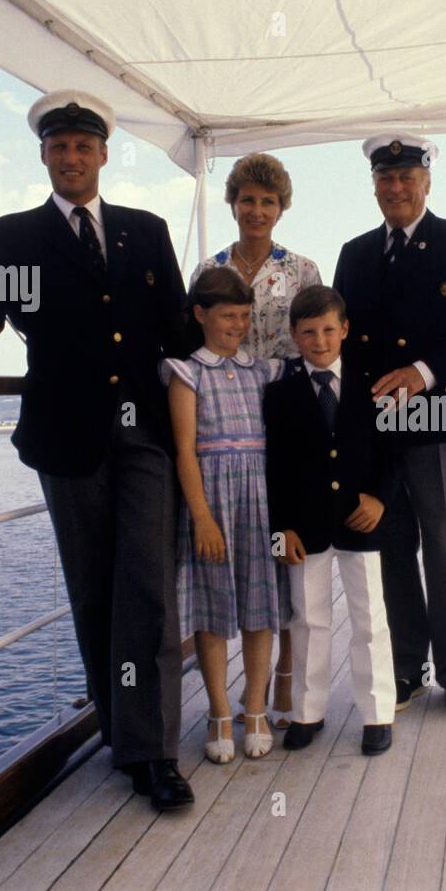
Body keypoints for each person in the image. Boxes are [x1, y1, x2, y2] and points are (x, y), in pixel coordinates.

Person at [0, 90, 194, 812]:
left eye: (83, 146)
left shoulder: (147, 230)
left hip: (147, 436)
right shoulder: (13, 237)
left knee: (150, 589)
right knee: (96, 591)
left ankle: (155, 750)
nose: (71, 157)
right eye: (59, 147)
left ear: (104, 154)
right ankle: (122, 733)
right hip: (65, 434)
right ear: (45, 155)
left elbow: (179, 331)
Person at [332, 134, 446, 717]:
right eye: (386, 178)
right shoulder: (355, 254)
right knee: (391, 545)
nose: (396, 188)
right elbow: (346, 349)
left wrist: (422, 372)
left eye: (407, 177)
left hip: (441, 412)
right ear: (374, 185)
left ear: (427, 181)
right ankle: (407, 667)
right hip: (378, 421)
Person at [189, 153, 322, 728]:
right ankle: (237, 701)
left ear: (281, 207)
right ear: (233, 204)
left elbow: (320, 343)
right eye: (248, 200)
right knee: (241, 562)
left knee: (284, 560)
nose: (258, 210)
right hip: (227, 424)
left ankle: (284, 690)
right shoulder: (209, 270)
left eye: (268, 201)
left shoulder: (302, 270)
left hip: (286, 418)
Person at [162, 266, 290, 763]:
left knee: (261, 607)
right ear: (200, 315)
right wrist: (202, 518)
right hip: (212, 498)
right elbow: (185, 452)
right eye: (227, 316)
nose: (237, 325)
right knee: (212, 612)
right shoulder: (186, 373)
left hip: (257, 499)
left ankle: (253, 706)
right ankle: (218, 710)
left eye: (243, 316)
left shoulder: (262, 370)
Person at [264, 286, 397, 756]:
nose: (319, 341)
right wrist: (280, 531)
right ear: (294, 337)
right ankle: (307, 711)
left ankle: (378, 713)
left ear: (344, 329)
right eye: (308, 332)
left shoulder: (373, 385)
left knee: (369, 619)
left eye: (327, 330)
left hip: (363, 522)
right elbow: (273, 468)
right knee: (308, 619)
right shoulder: (278, 395)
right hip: (304, 529)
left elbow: (392, 451)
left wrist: (380, 498)